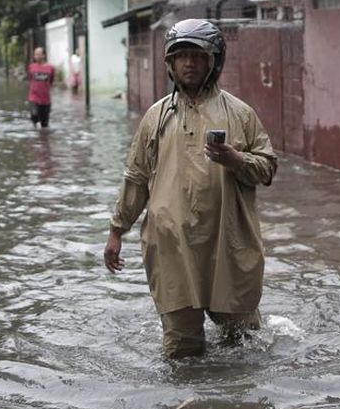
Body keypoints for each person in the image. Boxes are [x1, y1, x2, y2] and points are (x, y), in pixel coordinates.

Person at [103, 19, 277, 359]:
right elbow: (136, 178)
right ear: (169, 64)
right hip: (171, 246)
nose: (189, 63)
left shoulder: (240, 114)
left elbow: (267, 168)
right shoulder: (156, 117)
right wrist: (116, 231)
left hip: (228, 241)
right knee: (182, 349)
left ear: (213, 61)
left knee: (243, 343)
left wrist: (236, 160)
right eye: (181, 56)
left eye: (197, 56)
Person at [25, 47, 55, 127]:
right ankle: (34, 133)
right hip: (34, 98)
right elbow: (29, 79)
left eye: (38, 54)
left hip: (46, 100)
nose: (36, 56)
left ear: (43, 55)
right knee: (34, 115)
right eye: (35, 54)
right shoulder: (31, 67)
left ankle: (43, 138)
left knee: (44, 125)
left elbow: (51, 81)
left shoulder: (50, 68)